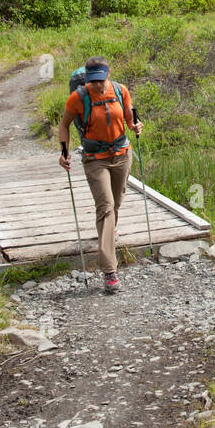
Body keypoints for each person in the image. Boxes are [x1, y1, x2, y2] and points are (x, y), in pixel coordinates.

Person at [57, 56, 143, 292]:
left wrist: (136, 124)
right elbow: (64, 125)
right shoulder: (78, 97)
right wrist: (64, 152)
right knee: (105, 207)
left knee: (115, 204)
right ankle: (110, 271)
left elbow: (129, 114)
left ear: (108, 74)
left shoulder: (120, 90)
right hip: (95, 159)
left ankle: (108, 233)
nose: (97, 85)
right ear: (87, 78)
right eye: (93, 81)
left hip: (122, 154)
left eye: (101, 80)